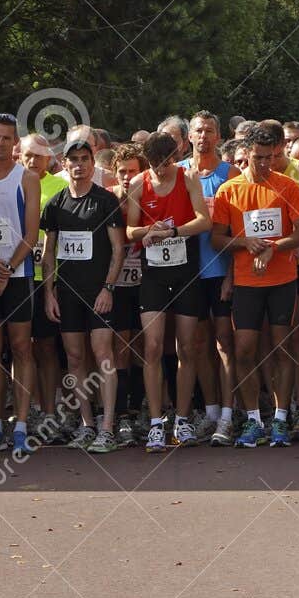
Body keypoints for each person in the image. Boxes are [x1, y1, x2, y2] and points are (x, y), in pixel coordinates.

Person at [210, 123, 299, 447]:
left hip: (282, 278)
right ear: (246, 154)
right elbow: (216, 239)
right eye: (258, 157)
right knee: (244, 350)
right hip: (246, 281)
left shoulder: (287, 186)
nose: (265, 163)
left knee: (283, 347)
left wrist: (274, 247)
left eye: (270, 157)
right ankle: (254, 419)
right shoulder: (230, 190)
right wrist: (245, 241)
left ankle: (281, 419)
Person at [41, 133, 125, 452]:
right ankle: (88, 424)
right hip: (67, 293)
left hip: (99, 292)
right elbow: (49, 253)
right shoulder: (56, 204)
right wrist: (49, 293)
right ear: (65, 164)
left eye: (84, 159)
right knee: (75, 357)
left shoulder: (105, 200)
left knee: (103, 354)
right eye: (73, 160)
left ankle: (108, 426)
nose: (78, 165)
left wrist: (108, 288)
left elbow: (118, 249)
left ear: (93, 163)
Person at [125, 131, 208, 452]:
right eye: (156, 163)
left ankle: (183, 419)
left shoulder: (188, 178)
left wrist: (173, 231)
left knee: (187, 347)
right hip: (154, 276)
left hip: (185, 272)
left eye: (167, 162)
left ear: (175, 157)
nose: (161, 169)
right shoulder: (138, 184)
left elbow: (204, 220)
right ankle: (157, 423)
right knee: (153, 346)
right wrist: (148, 232)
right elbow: (130, 229)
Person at [0, 113, 40, 457]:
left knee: (21, 347)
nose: (0, 143)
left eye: (7, 138)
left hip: (17, 274)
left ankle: (22, 424)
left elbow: (31, 234)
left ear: (15, 143)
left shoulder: (26, 178)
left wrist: (7, 270)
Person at [185, 110, 236, 446]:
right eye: (198, 131)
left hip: (221, 271)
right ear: (189, 136)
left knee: (224, 344)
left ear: (218, 136)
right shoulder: (178, 174)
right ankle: (212, 411)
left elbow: (237, 229)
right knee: (197, 344)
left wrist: (232, 274)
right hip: (187, 273)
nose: (204, 136)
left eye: (210, 131)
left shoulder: (229, 174)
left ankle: (230, 416)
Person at [21, 134, 67, 427]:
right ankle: (28, 410)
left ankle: (51, 411)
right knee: (20, 348)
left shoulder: (61, 186)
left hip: (52, 277)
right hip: (17, 276)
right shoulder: (12, 184)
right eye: (27, 155)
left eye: (38, 155)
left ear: (49, 158)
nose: (32, 161)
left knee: (48, 347)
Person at [110, 144, 146, 446]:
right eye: (122, 171)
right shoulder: (107, 201)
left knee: (147, 347)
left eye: (132, 171)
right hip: (118, 285)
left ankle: (143, 407)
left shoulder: (149, 197)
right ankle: (122, 414)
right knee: (120, 347)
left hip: (147, 283)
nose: (126, 177)